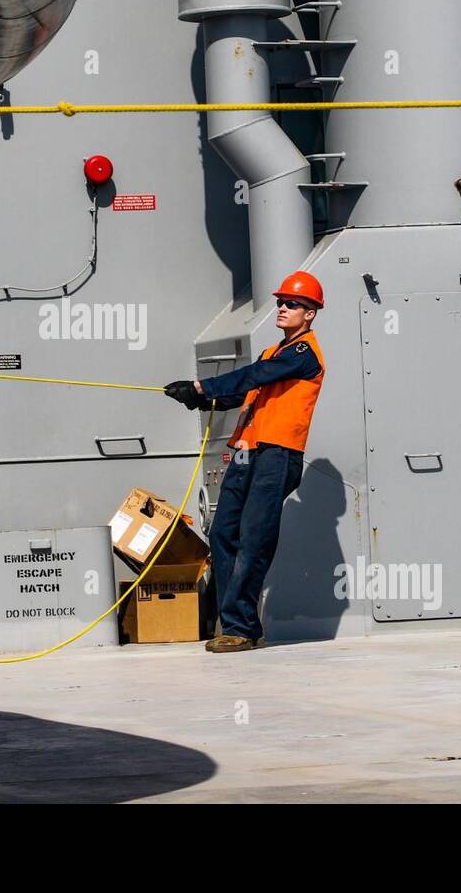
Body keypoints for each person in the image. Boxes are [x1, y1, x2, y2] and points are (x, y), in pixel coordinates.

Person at [164, 271, 325, 653]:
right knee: (222, 533)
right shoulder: (275, 352)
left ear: (311, 313)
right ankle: (234, 622)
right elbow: (252, 390)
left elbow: (257, 375)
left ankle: (239, 628)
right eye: (281, 302)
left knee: (253, 541)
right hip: (245, 451)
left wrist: (203, 386)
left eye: (293, 304)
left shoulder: (304, 354)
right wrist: (202, 400)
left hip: (276, 454)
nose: (282, 308)